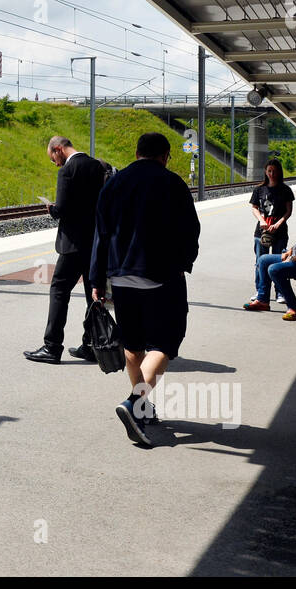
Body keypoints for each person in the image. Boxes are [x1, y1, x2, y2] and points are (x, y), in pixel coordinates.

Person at [90, 132, 200, 448]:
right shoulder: (172, 183)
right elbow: (190, 230)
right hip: (161, 276)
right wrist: (184, 261)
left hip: (121, 277)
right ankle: (135, 403)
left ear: (137, 152)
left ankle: (144, 407)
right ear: (164, 155)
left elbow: (101, 234)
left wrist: (97, 279)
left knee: (134, 344)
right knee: (164, 342)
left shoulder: (113, 184)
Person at [24, 136, 106, 364]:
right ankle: (91, 345)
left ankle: (52, 347)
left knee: (59, 290)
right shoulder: (96, 166)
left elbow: (63, 209)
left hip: (73, 244)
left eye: (53, 158)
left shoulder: (68, 171)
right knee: (93, 295)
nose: (56, 163)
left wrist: (51, 208)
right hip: (95, 243)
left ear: (58, 149)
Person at [248, 160, 294, 303]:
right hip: (261, 233)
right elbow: (254, 207)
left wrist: (279, 223)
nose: (272, 174)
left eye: (274, 171)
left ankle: (279, 292)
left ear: (279, 172)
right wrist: (262, 220)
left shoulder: (286, 190)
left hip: (279, 232)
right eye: (269, 171)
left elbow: (288, 211)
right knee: (259, 262)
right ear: (265, 172)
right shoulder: (259, 189)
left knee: (278, 262)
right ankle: (260, 290)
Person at [245, 229, 296, 320]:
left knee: (274, 269)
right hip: (295, 257)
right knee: (263, 260)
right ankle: (263, 301)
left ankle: (293, 309)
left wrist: (291, 259)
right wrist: (289, 252)